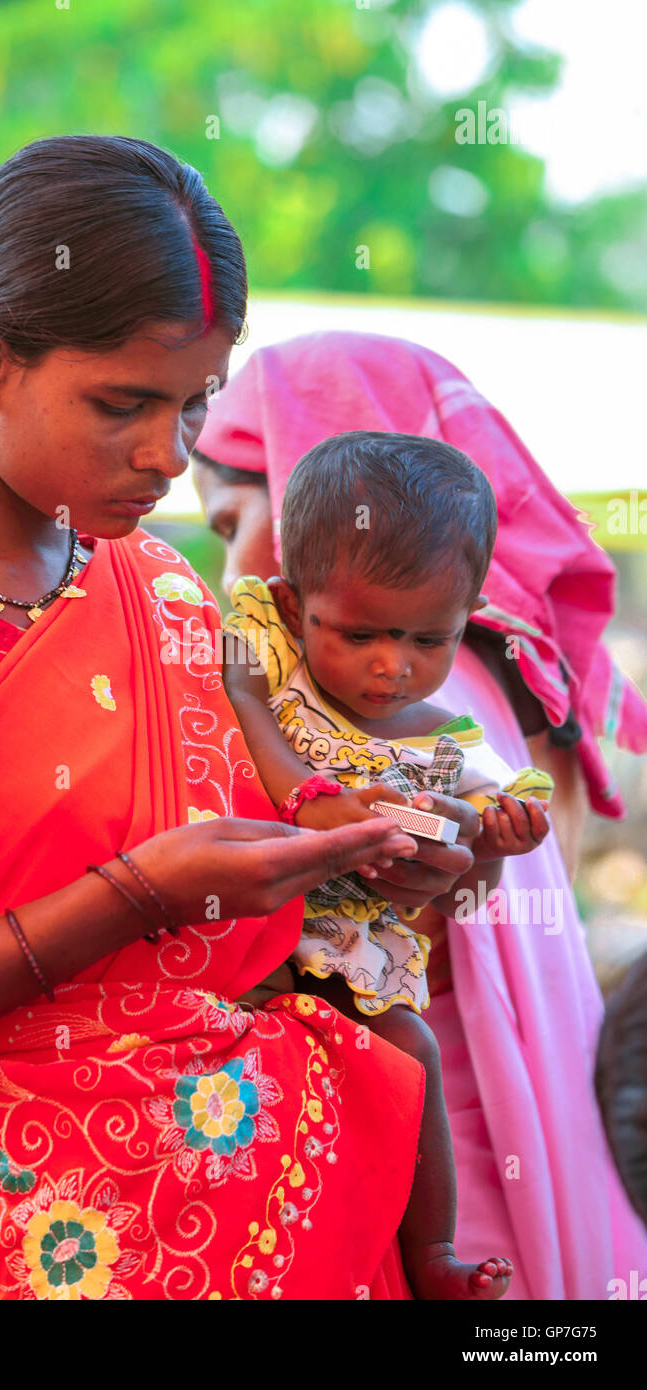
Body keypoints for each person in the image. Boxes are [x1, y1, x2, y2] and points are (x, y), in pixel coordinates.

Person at [0, 136, 489, 1301]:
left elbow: (240, 873)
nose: (169, 454)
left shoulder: (155, 576)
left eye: (196, 402)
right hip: (74, 1238)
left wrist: (359, 848)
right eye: (123, 403)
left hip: (290, 1185)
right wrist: (135, 897)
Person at [193, 329, 647, 1299]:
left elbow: (461, 885)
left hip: (418, 1107)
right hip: (503, 1110)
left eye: (235, 520)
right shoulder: (494, 672)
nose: (231, 561)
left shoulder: (418, 692)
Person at [223, 429, 553, 1299]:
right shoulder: (266, 657)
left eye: (426, 639)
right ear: (295, 606)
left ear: (467, 618)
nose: (391, 665)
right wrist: (309, 798)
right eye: (362, 632)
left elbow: (466, 881)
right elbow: (233, 696)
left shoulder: (446, 741)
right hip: (235, 943)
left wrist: (488, 843)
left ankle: (432, 1251)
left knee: (411, 1053)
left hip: (352, 957)